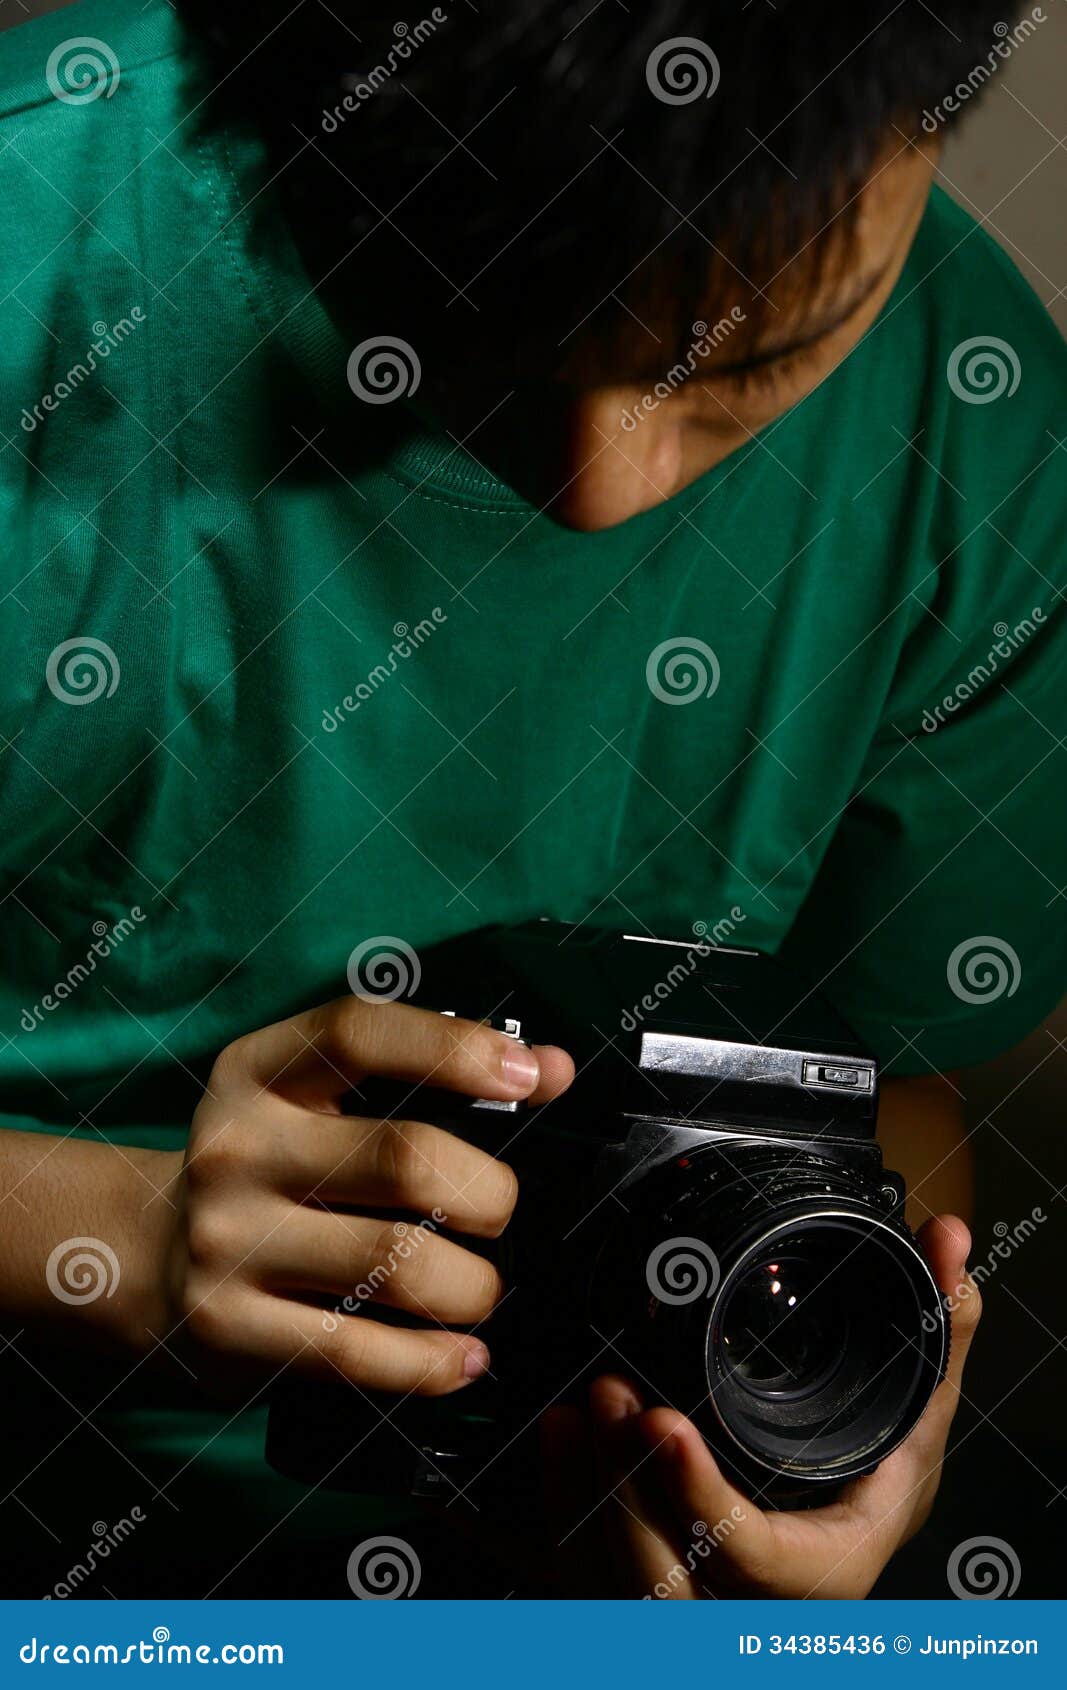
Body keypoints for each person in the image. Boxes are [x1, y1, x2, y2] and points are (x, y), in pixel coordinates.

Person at [0, 0, 1063, 1598]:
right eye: (484, 319)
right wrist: (115, 1236)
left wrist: (830, 1427)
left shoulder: (986, 451)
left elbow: (886, 1081)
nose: (601, 485)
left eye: (746, 362)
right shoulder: (38, 266)